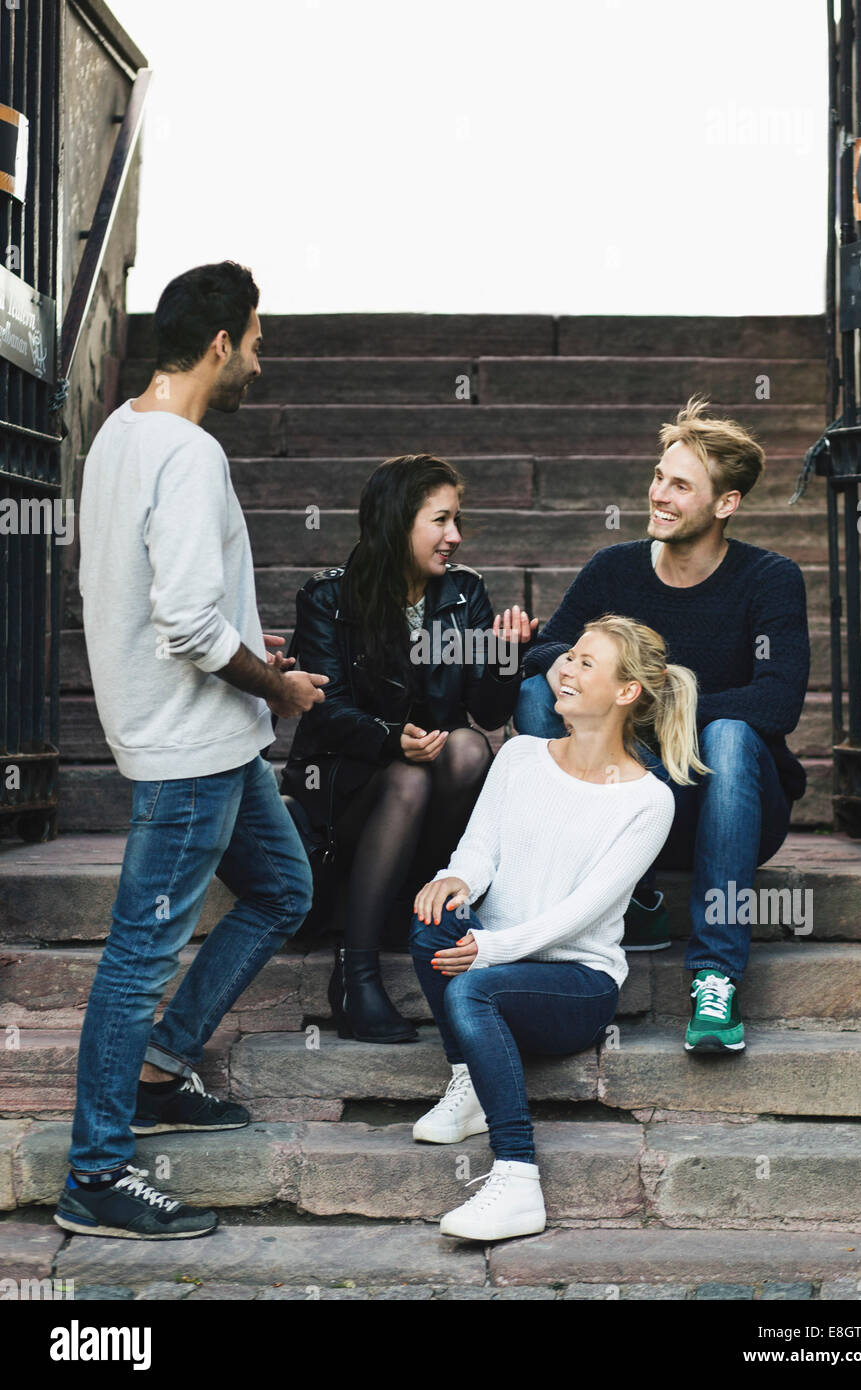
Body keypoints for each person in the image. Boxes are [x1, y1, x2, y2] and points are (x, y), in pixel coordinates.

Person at [55, 262, 327, 1241]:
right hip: (190, 750)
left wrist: (252, 653)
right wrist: (281, 685)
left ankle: (161, 1070)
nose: (260, 357)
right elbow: (184, 626)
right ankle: (94, 1170)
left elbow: (159, 600)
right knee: (139, 952)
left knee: (284, 888)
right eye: (256, 339)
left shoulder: (119, 437)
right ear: (220, 344)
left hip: (197, 738)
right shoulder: (188, 451)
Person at [515, 396, 811, 1053]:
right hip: (627, 805)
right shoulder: (615, 568)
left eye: (681, 485)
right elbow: (550, 652)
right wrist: (594, 683)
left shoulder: (769, 579)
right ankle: (558, 910)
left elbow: (777, 703)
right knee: (543, 693)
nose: (660, 494)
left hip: (729, 803)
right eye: (658, 477)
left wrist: (655, 705)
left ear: (724, 504)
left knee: (731, 734)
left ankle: (715, 981)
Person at [409, 616, 695, 1241]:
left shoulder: (648, 801)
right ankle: (471, 1080)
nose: (565, 668)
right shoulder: (518, 754)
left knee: (471, 987)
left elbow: (583, 913)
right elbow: (480, 851)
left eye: (586, 663)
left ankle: (516, 1181)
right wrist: (456, 880)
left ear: (626, 693)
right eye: (569, 656)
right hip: (499, 954)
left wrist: (491, 949)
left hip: (574, 982)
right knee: (431, 916)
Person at [281, 453, 537, 1043]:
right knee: (407, 776)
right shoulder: (328, 600)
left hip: (431, 790)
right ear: (398, 522)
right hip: (345, 785)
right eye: (441, 521)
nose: (456, 536)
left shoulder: (464, 591)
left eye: (457, 521)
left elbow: (491, 712)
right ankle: (356, 971)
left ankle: (416, 893)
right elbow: (322, 706)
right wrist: (389, 738)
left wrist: (506, 654)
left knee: (472, 748)